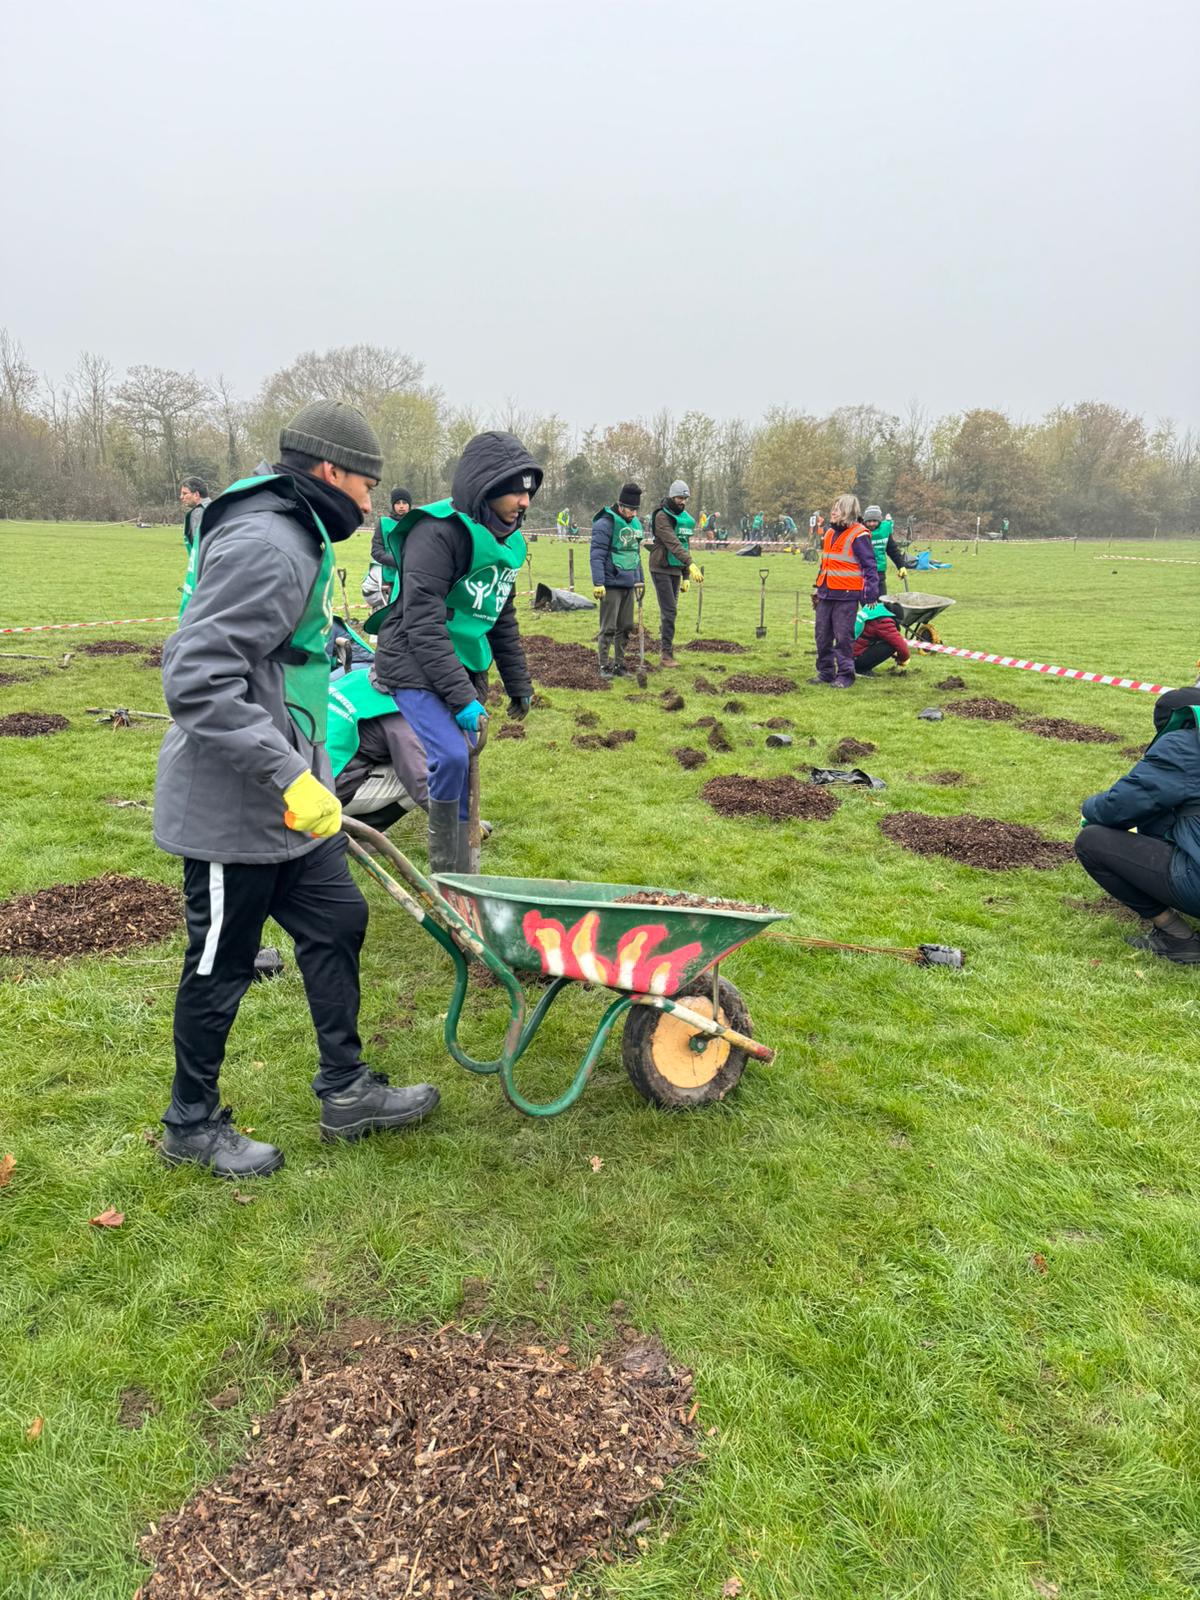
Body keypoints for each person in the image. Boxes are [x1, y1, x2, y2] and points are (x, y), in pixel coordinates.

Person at [154, 401, 439, 1179]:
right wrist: (288, 774)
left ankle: (346, 1090)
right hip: (232, 805)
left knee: (338, 919)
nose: (372, 503)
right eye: (367, 485)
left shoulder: (295, 531)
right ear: (330, 470)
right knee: (221, 964)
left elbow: (279, 664)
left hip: (292, 805)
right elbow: (196, 678)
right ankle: (189, 1123)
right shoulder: (268, 544)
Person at [368, 432, 539, 872]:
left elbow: (500, 616)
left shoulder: (508, 542)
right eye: (515, 491)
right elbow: (423, 623)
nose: (524, 501)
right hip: (412, 660)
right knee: (451, 755)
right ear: (485, 486)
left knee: (464, 763)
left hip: (465, 664)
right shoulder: (436, 532)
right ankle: (445, 861)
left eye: (529, 491)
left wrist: (518, 683)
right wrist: (462, 699)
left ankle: (464, 870)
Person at [1074, 690, 1200, 964]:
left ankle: (1176, 936)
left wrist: (1088, 809)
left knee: (1092, 842)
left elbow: (1118, 807)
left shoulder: (1185, 745)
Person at [809, 493, 878, 687]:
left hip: (847, 595)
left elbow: (870, 566)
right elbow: (826, 564)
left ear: (848, 511)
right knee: (822, 635)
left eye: (838, 509)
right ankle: (825, 672)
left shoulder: (859, 535)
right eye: (833, 508)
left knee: (843, 637)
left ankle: (845, 675)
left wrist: (871, 593)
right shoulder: (830, 533)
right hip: (826, 593)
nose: (833, 512)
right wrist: (818, 588)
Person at [590, 482, 644, 679]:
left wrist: (640, 581)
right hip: (611, 583)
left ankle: (619, 665)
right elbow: (597, 554)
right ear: (621, 506)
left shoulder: (635, 524)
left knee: (626, 626)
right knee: (609, 627)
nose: (634, 514)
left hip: (629, 582)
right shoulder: (605, 524)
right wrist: (598, 582)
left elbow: (636, 554)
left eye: (636, 510)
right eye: (631, 509)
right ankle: (604, 665)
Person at [647, 480, 703, 668]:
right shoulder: (661, 517)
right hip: (660, 566)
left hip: (676, 568)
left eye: (685, 499)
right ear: (672, 496)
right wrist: (690, 563)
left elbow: (684, 543)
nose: (683, 502)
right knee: (670, 610)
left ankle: (666, 645)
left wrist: (686, 575)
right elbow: (673, 543)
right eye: (680, 498)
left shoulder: (684, 518)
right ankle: (666, 655)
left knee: (670, 611)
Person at [363, 487, 412, 613]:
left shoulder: (416, 523)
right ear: (393, 505)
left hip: (411, 573)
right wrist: (397, 561)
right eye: (398, 503)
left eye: (404, 503)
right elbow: (376, 551)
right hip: (389, 575)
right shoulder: (383, 523)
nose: (401, 506)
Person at [861, 505, 911, 594]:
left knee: (881, 598)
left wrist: (901, 565)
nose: (872, 524)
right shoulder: (859, 531)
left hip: (879, 571)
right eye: (869, 521)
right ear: (865, 521)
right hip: (863, 571)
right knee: (866, 599)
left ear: (879, 520)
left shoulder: (884, 531)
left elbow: (892, 550)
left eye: (874, 521)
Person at [852, 599, 910, 674]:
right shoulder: (883, 621)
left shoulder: (874, 610)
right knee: (891, 646)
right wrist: (903, 659)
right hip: (854, 658)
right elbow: (900, 645)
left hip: (846, 654)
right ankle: (861, 669)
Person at [179, 477, 210, 554]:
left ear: (196, 494)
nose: (181, 497)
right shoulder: (216, 507)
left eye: (185, 493)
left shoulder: (198, 513)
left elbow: (199, 545)